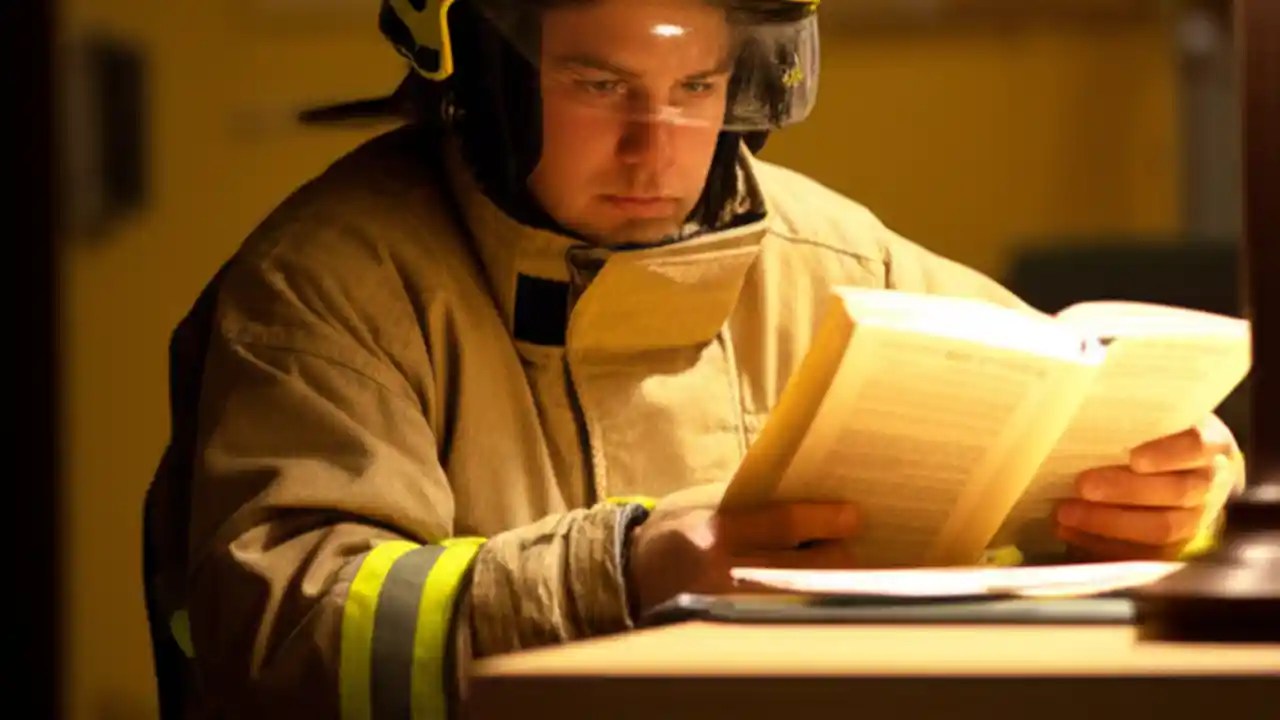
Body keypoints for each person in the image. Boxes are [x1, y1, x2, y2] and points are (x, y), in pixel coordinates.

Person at [142, 1, 1245, 718]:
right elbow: (278, 642)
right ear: (479, 70)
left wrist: (1185, 498)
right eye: (598, 84)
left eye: (695, 90)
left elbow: (1075, 439)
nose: (655, 147)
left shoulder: (834, 258)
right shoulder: (325, 285)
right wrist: (619, 571)